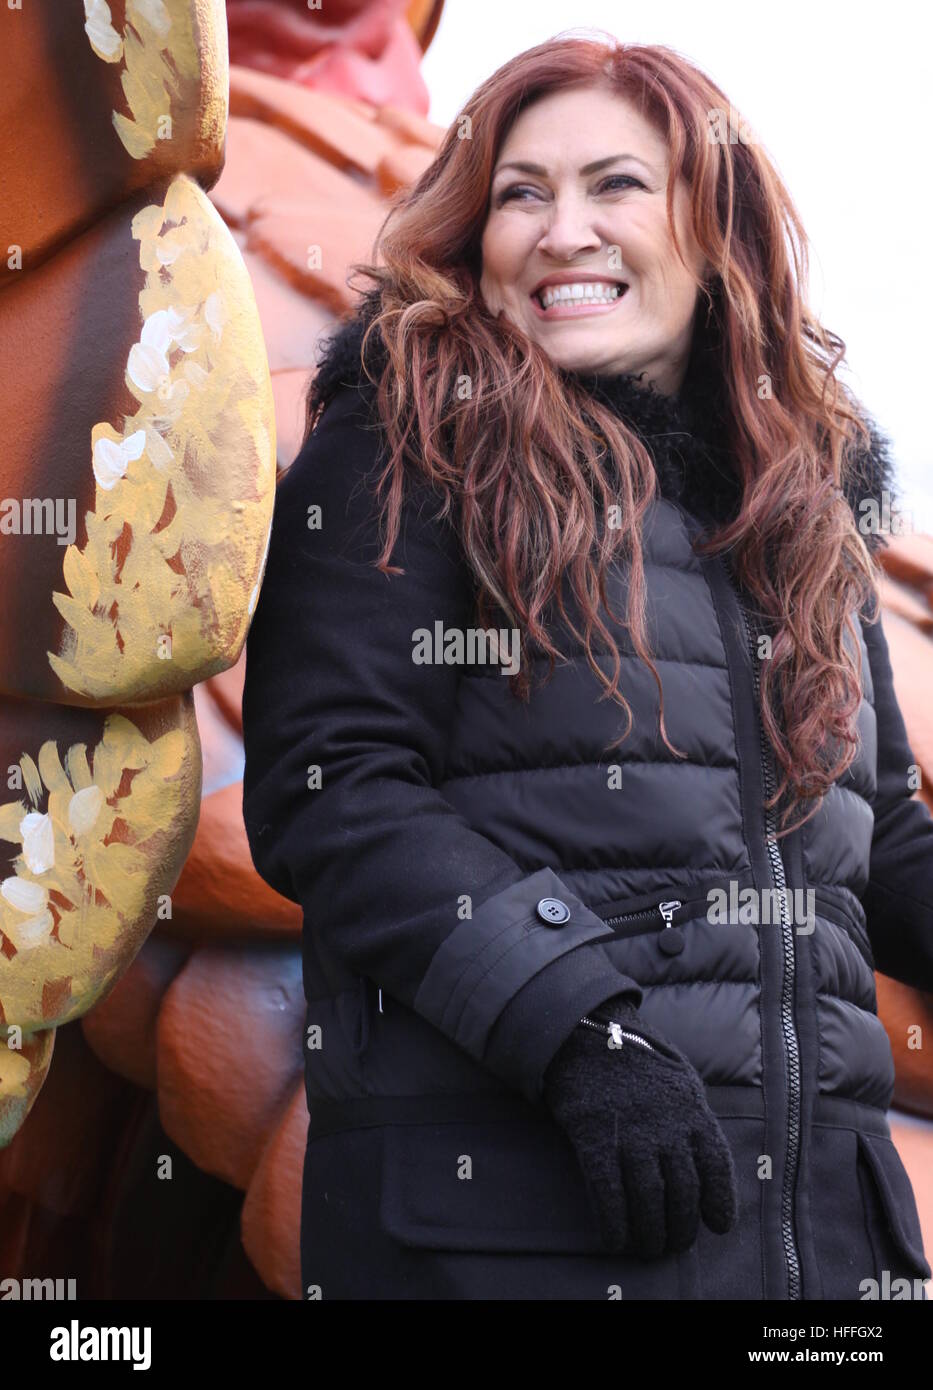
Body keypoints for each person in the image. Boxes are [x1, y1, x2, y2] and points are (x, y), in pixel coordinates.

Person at [241, 36, 933, 1300]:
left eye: (616, 185)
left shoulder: (807, 519)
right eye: (521, 193)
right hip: (517, 1225)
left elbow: (878, 840)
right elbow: (335, 787)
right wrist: (578, 1032)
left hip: (822, 1253)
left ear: (713, 225)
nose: (564, 231)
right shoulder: (400, 453)